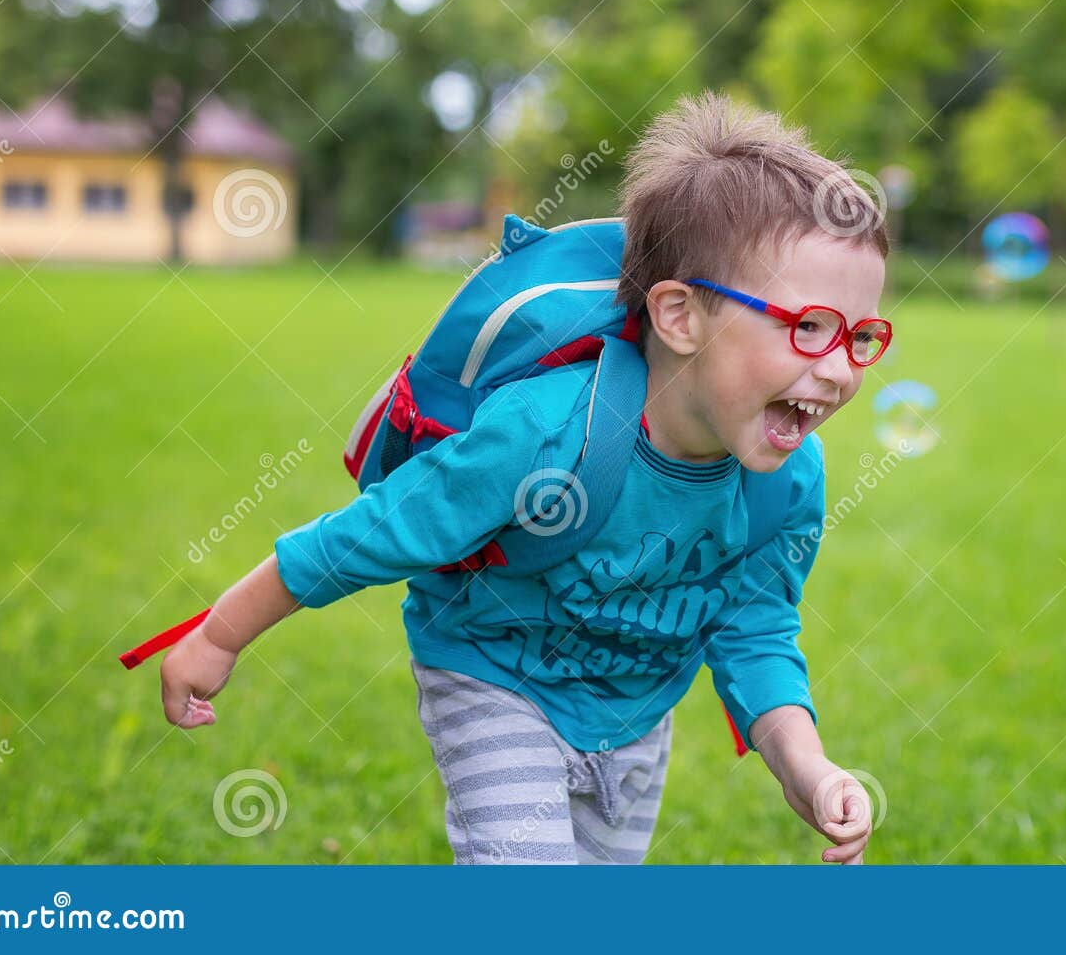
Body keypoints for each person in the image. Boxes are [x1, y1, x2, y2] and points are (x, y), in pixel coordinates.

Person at [159, 91, 890, 864]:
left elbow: (754, 628)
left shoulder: (785, 479)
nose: (840, 368)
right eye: (808, 326)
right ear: (678, 316)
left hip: (636, 715)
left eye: (862, 335)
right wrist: (219, 631)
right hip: (494, 675)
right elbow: (376, 531)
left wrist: (808, 770)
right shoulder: (544, 431)